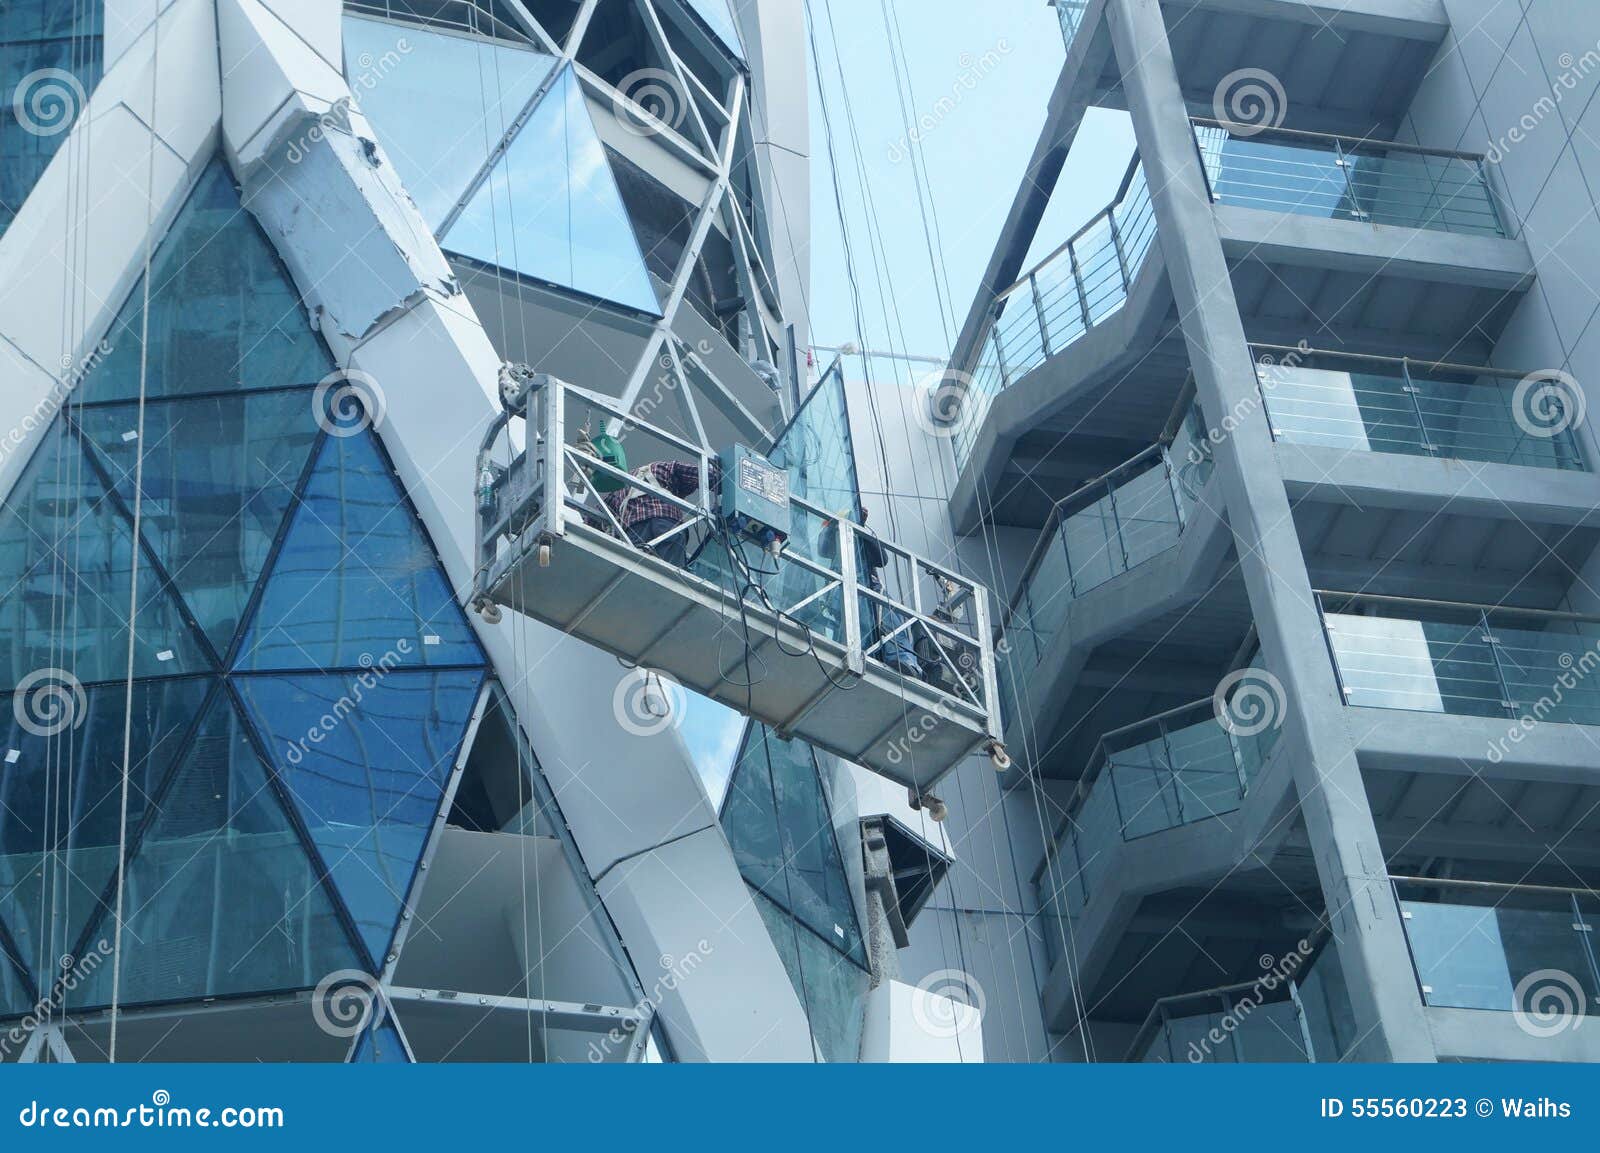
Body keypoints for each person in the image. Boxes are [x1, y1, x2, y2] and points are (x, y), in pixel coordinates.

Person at [603, 454, 721, 568]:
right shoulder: (661, 467)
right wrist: (721, 480)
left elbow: (598, 517)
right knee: (671, 573)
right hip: (666, 524)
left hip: (634, 531)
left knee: (637, 570)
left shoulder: (619, 488)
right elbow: (697, 474)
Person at [856, 507, 921, 677]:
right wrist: (837, 524)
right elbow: (823, 548)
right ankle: (896, 658)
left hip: (870, 588)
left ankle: (905, 661)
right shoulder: (833, 530)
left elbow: (881, 559)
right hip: (851, 588)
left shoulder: (859, 535)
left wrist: (860, 527)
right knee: (877, 626)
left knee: (891, 622)